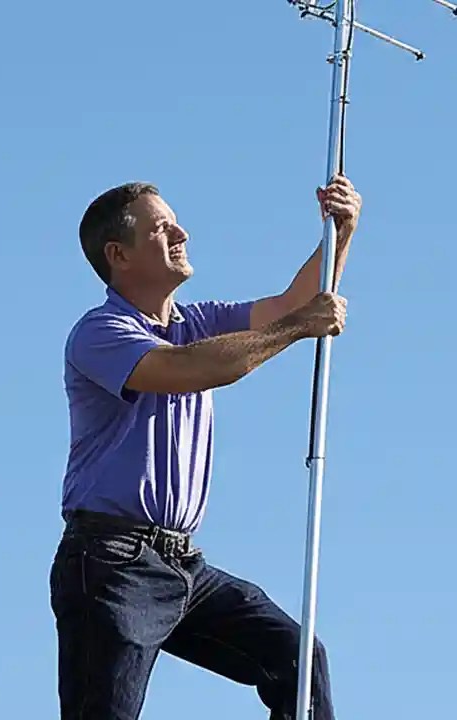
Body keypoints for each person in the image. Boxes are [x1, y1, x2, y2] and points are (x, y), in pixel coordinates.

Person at [49, 174, 362, 720]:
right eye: (161, 228)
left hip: (182, 563)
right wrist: (295, 326)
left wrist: (341, 231)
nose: (181, 233)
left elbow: (297, 302)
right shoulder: (99, 333)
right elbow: (190, 369)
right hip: (111, 563)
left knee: (298, 659)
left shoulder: (197, 322)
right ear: (118, 254)